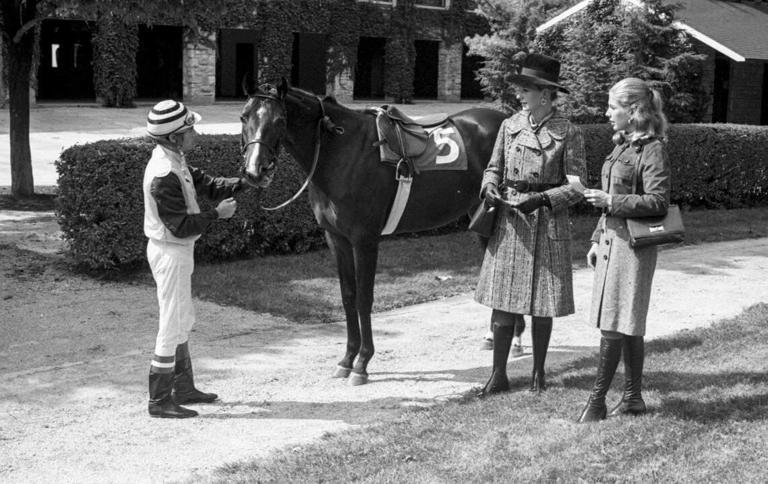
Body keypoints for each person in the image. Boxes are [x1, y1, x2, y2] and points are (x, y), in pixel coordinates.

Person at [476, 52, 587, 395]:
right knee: (503, 299)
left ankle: (539, 374)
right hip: (510, 223)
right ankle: (498, 375)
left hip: (546, 224)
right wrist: (490, 186)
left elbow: (578, 186)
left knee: (543, 302)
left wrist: (542, 199)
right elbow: (493, 167)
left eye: (525, 89)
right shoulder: (510, 127)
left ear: (545, 93)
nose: (519, 95)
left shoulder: (569, 132)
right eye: (520, 89)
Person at [143, 100, 246, 418]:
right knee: (171, 323)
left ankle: (183, 387)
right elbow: (182, 225)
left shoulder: (176, 159)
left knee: (182, 320)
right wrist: (218, 214)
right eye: (190, 129)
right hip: (170, 251)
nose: (196, 133)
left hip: (177, 249)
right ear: (175, 137)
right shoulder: (163, 174)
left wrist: (247, 182)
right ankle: (159, 401)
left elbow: (209, 184)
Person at [577, 77, 670, 422]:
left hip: (634, 247)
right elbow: (606, 204)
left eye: (612, 107)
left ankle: (597, 402)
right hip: (611, 242)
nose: (606, 113)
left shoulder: (652, 149)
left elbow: (658, 200)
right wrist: (595, 236)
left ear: (633, 112)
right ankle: (633, 399)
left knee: (616, 322)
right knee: (625, 321)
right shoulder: (622, 145)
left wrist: (611, 201)